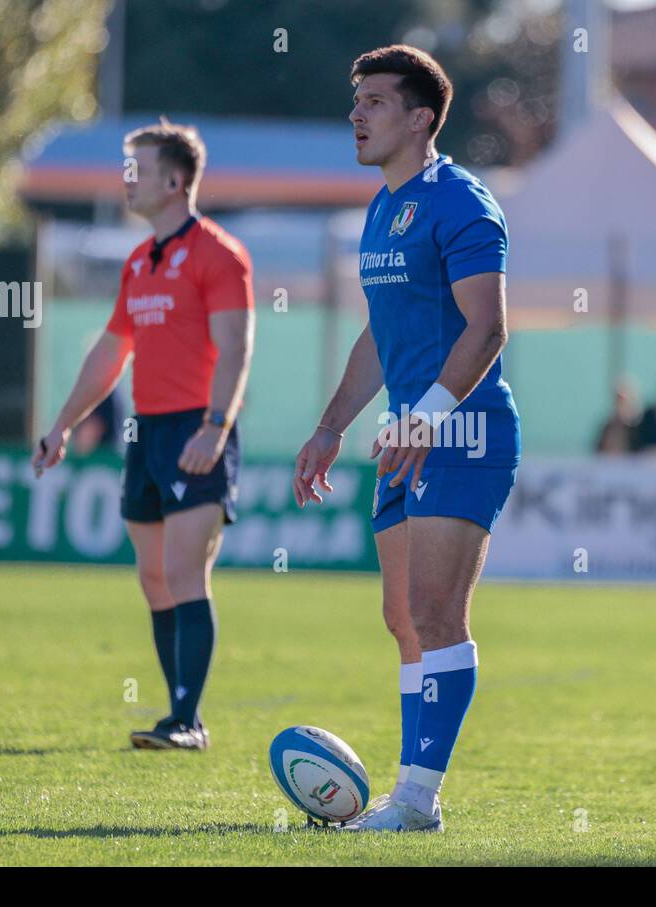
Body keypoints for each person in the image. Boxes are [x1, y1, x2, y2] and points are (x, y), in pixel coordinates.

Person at [293, 45, 520, 832]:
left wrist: (426, 415)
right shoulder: (383, 207)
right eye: (355, 101)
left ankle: (418, 801)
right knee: (401, 617)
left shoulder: (460, 199)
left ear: (422, 118)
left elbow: (488, 327)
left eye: (376, 102)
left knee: (434, 611)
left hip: (463, 431)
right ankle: (404, 790)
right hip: (405, 433)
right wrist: (331, 426)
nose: (357, 114)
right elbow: (379, 335)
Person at [31, 120, 255, 751]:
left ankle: (187, 721)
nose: (127, 180)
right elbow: (111, 350)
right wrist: (62, 425)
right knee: (153, 578)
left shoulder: (218, 253)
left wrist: (216, 425)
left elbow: (237, 346)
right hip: (147, 433)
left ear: (176, 179)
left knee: (185, 573)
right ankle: (176, 715)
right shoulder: (139, 260)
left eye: (139, 168)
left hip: (197, 429)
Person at [594, 378, 642, 454]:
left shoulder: (639, 428)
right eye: (617, 399)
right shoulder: (608, 426)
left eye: (623, 400)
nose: (620, 404)